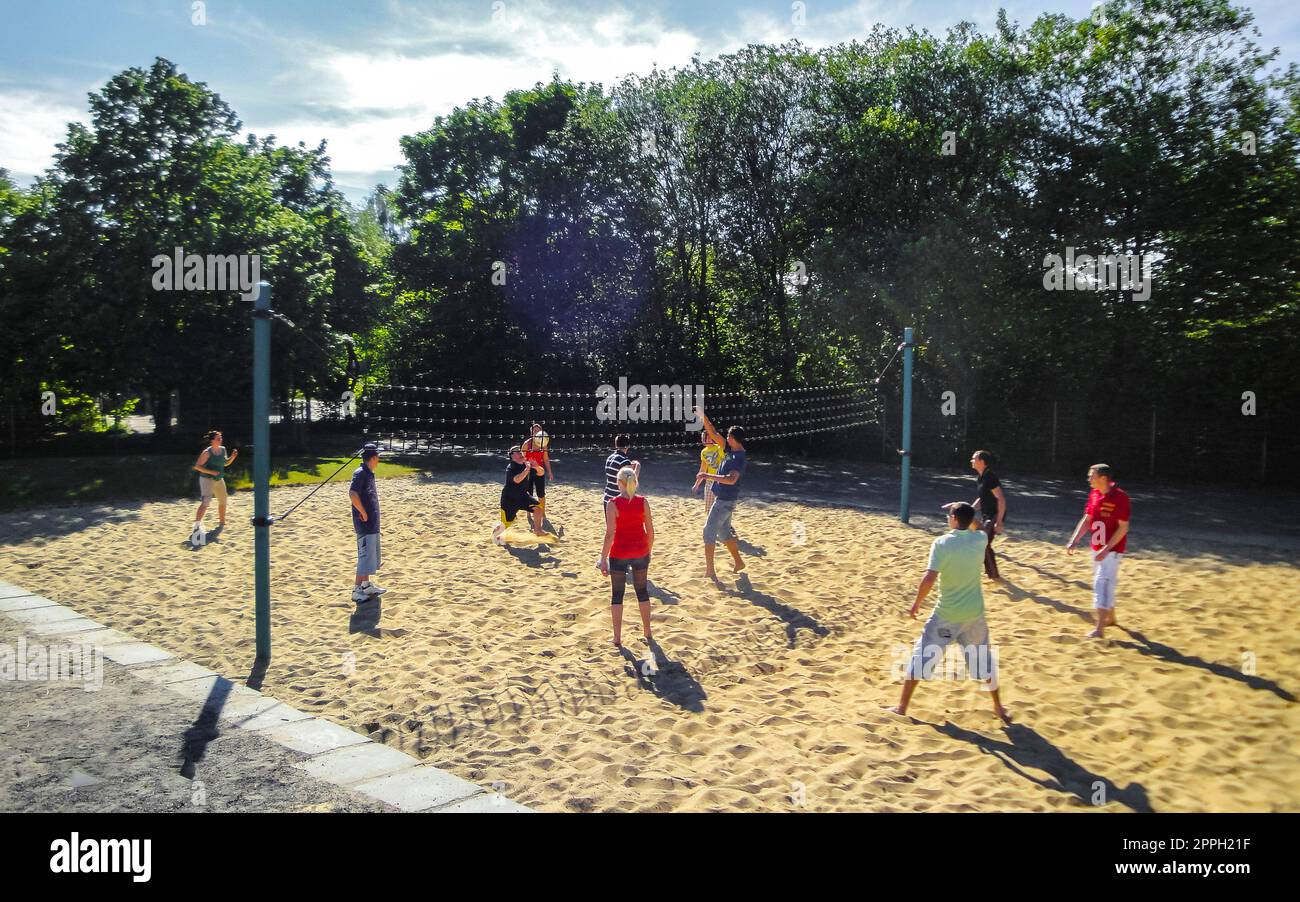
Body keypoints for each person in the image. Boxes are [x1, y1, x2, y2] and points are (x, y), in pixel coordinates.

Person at [889, 502, 1011, 724]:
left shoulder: (942, 543)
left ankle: (901, 707)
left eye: (949, 514)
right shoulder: (979, 540)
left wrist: (917, 603)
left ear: (954, 518)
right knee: (983, 660)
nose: (947, 517)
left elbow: (929, 578)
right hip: (974, 614)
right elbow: (982, 528)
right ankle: (998, 707)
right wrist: (969, 514)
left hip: (947, 614)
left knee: (922, 657)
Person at [1066, 463, 1131, 639]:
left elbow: (1123, 528)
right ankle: (1111, 618)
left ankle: (1099, 629)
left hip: (1112, 550)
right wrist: (1074, 540)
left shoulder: (1120, 497)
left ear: (1103, 478)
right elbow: (1087, 520)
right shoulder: (1095, 494)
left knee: (1101, 584)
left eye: (1091, 475)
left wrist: (1107, 548)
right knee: (1105, 583)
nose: (1088, 479)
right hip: (1096, 547)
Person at [598, 466, 655, 648]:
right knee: (642, 591)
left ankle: (617, 637)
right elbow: (651, 531)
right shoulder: (642, 501)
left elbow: (609, 535)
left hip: (620, 552)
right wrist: (649, 550)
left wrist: (602, 558)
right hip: (640, 550)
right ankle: (647, 631)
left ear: (619, 483)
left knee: (617, 595)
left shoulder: (613, 503)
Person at [349, 444, 386, 603]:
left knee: (369, 556)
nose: (378, 459)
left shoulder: (368, 473)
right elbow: (352, 494)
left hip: (372, 524)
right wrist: (363, 512)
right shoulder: (361, 473)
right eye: (377, 456)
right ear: (373, 458)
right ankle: (357, 590)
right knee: (364, 557)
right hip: (365, 523)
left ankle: (366, 585)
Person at [968, 450, 1007, 580]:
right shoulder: (981, 477)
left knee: (983, 542)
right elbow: (982, 498)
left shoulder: (990, 477)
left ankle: (994, 575)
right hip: (987, 515)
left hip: (994, 515)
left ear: (982, 462)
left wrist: (999, 521)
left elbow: (1000, 498)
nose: (971, 460)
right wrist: (970, 510)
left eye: (974, 458)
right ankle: (991, 572)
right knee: (982, 542)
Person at [494, 445, 546, 543]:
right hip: (509, 500)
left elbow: (541, 473)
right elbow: (517, 480)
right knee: (506, 524)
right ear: (512, 456)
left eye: (520, 450)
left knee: (538, 508)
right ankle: (494, 536)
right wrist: (527, 470)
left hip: (523, 496)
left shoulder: (526, 464)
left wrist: (537, 467)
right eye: (516, 451)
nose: (520, 452)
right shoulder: (511, 467)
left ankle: (537, 530)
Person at [193, 429, 237, 529]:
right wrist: (211, 472)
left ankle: (222, 522)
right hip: (206, 479)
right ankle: (197, 524)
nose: (220, 440)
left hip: (219, 479)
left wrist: (233, 457)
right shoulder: (207, 453)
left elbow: (225, 463)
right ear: (212, 441)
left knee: (223, 499)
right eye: (218, 438)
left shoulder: (223, 449)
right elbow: (197, 466)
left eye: (220, 438)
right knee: (206, 502)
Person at [521, 423, 554, 523]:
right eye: (534, 431)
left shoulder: (543, 444)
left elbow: (546, 459)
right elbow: (521, 459)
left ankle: (543, 513)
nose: (536, 432)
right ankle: (528, 513)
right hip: (528, 471)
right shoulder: (527, 443)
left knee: (541, 494)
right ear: (531, 433)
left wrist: (550, 472)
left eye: (538, 431)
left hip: (539, 470)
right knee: (529, 493)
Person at [603, 435, 640, 509]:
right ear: (627, 446)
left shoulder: (609, 458)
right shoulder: (624, 461)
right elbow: (631, 481)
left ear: (616, 444)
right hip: (619, 499)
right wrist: (638, 467)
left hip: (607, 497)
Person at [696, 428, 725, 514]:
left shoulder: (719, 448)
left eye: (709, 437)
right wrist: (697, 484)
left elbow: (725, 462)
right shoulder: (703, 452)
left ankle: (725, 525)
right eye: (705, 438)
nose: (707, 439)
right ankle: (711, 525)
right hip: (709, 482)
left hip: (720, 481)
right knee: (709, 508)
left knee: (721, 507)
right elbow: (703, 469)